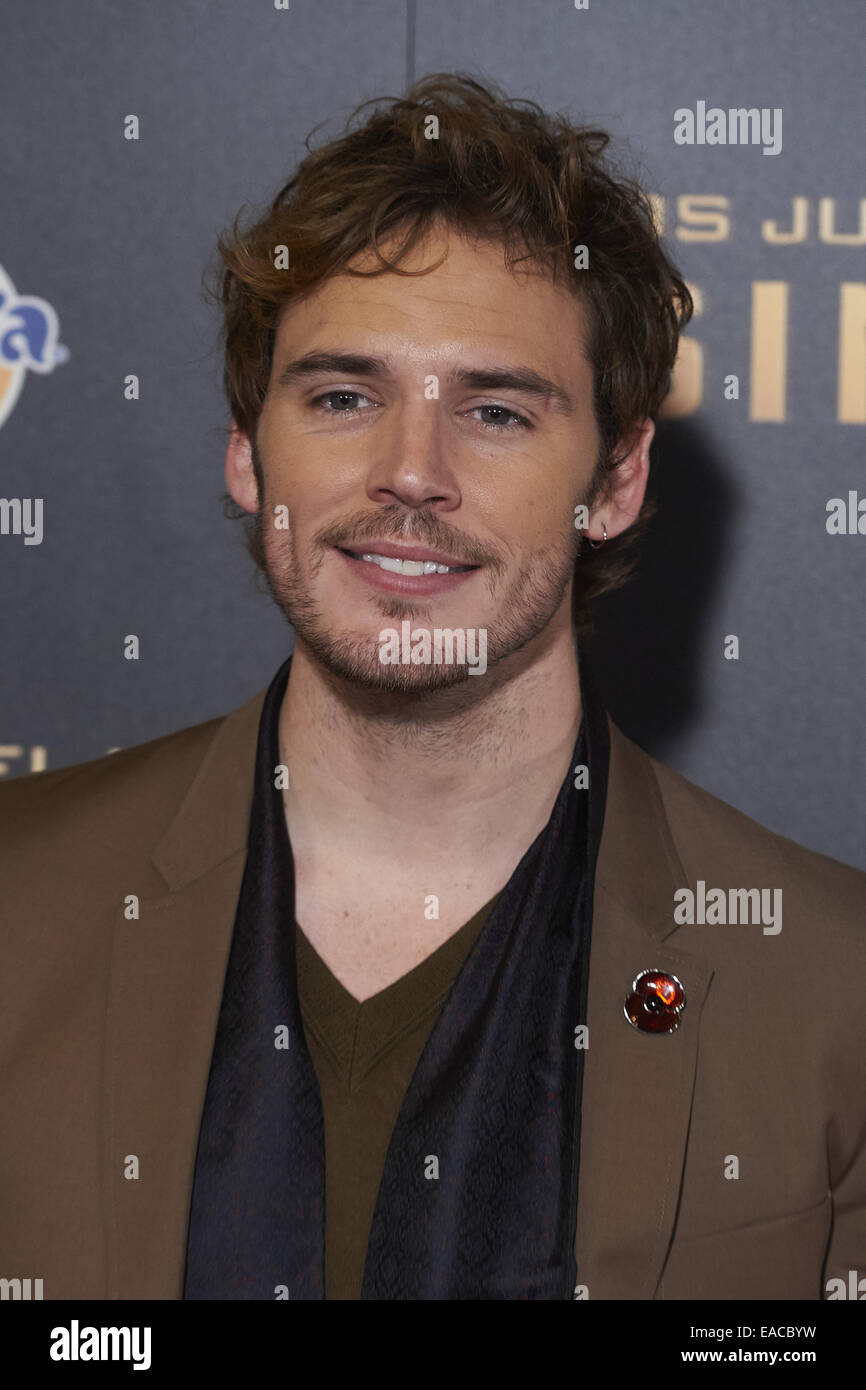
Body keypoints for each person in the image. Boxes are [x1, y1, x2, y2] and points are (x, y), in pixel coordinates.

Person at [1, 74, 864, 1303]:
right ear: (247, 451)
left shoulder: (834, 990)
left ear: (613, 479)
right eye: (344, 397)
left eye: (496, 411)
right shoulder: (15, 906)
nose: (411, 473)